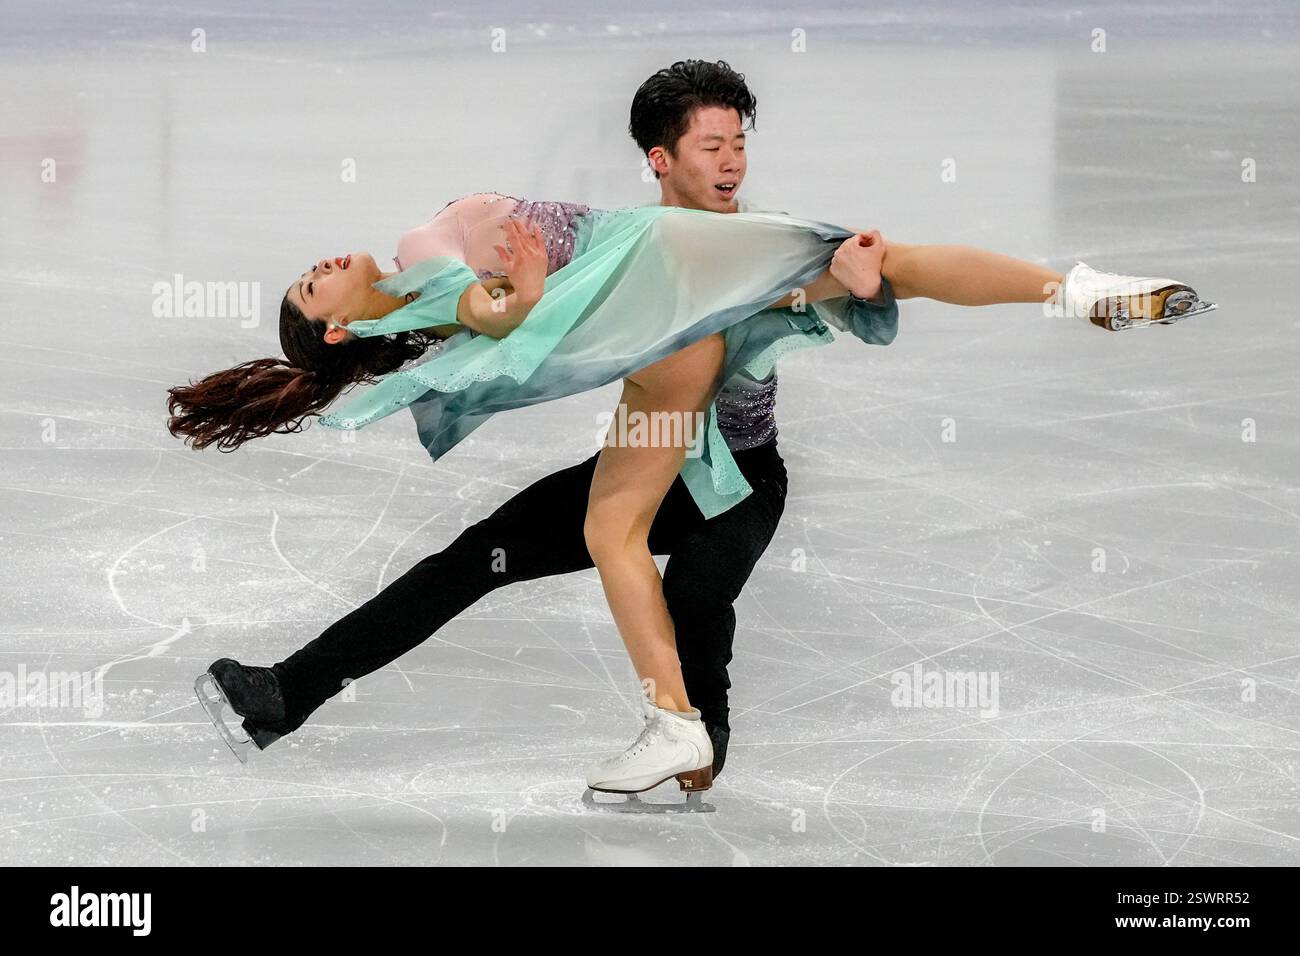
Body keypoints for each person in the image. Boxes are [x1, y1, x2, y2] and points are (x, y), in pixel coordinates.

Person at [169, 61, 1213, 806]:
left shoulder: (455, 258)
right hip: (669, 369)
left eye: (736, 142)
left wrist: (827, 299)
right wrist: (519, 293)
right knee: (484, 557)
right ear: (663, 159)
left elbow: (493, 300)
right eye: (713, 143)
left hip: (739, 474)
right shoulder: (436, 281)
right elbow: (490, 310)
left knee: (680, 550)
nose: (731, 157)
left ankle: (680, 725)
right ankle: (284, 694)